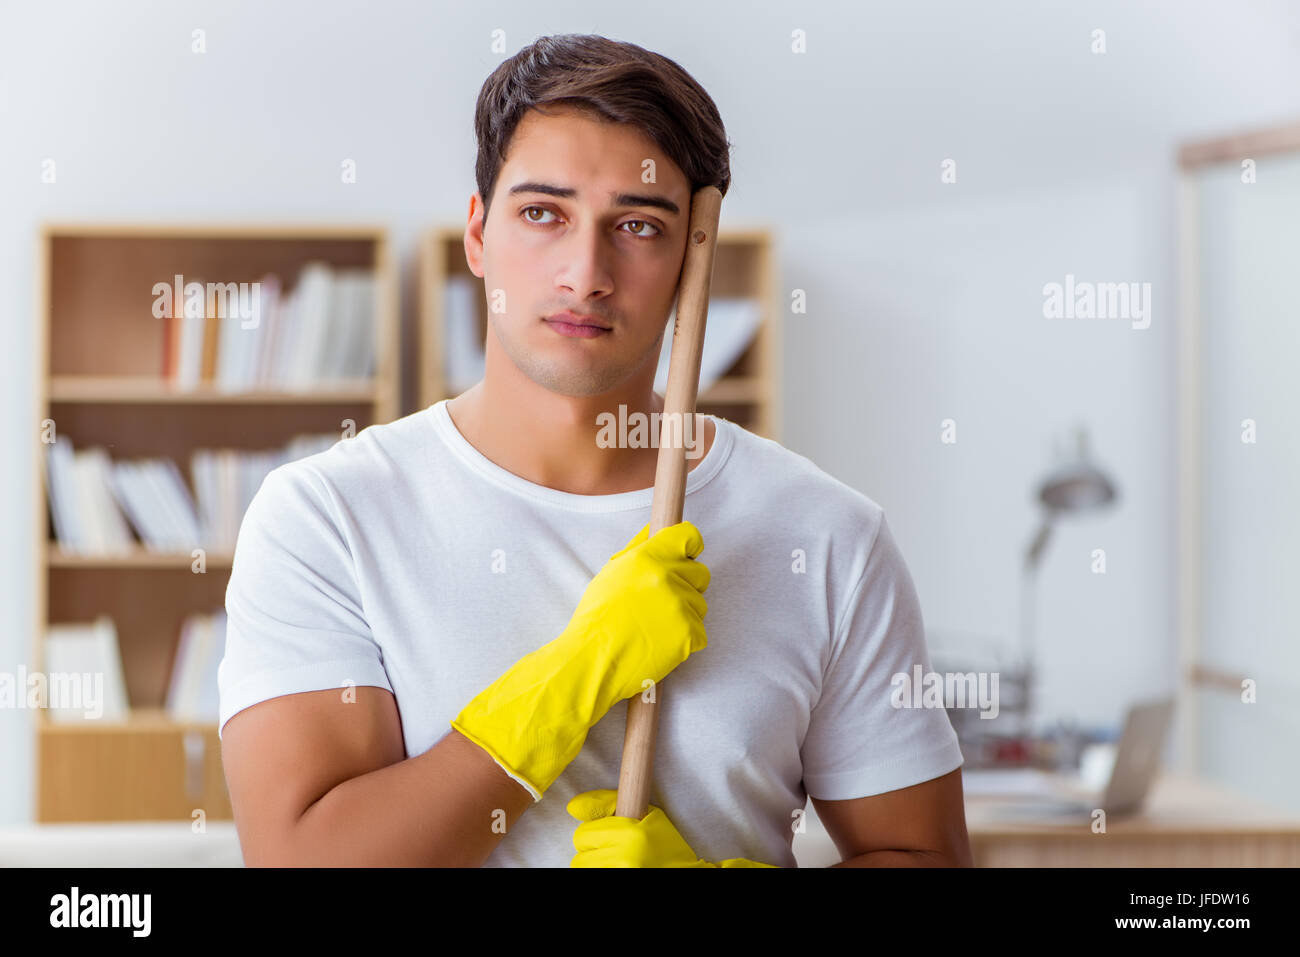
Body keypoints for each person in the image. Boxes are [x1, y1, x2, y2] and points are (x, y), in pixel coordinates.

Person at [218, 33, 971, 867]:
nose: (585, 272)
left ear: (695, 261)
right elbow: (301, 860)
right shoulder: (327, 519)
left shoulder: (828, 537)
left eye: (639, 225)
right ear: (478, 235)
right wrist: (577, 674)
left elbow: (926, 857)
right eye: (543, 213)